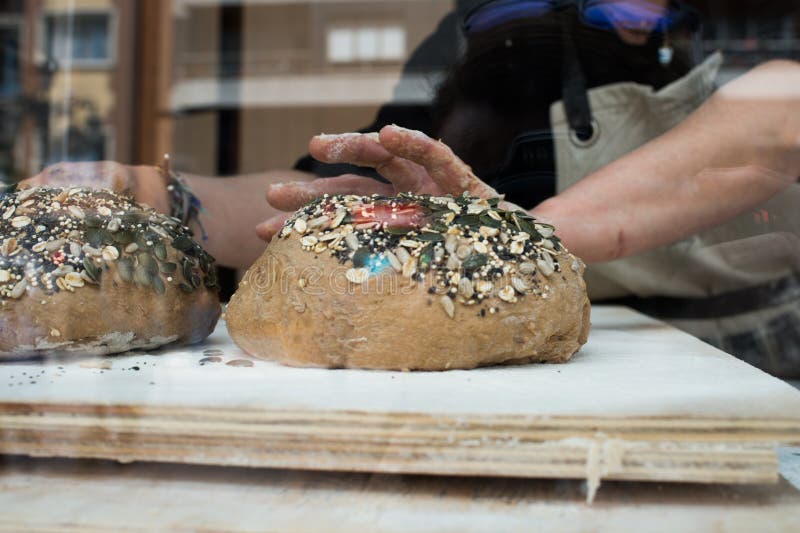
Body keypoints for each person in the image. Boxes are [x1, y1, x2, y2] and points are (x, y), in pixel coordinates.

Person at [21, 1, 800, 376]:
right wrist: (160, 196)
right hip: (543, 372)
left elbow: (776, 119)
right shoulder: (499, 34)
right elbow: (330, 193)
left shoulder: (754, 19)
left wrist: (527, 235)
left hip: (758, 355)